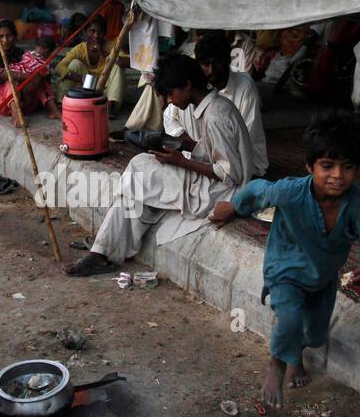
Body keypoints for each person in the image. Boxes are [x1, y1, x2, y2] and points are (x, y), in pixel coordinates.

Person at [209, 112, 360, 412]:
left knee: (315, 335)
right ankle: (277, 365)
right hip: (285, 269)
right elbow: (258, 191)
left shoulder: (356, 203)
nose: (337, 176)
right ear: (310, 166)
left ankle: (295, 357)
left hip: (323, 276)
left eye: (347, 168)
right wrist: (232, 207)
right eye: (327, 166)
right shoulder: (291, 191)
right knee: (290, 320)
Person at [64, 53, 255, 276]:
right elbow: (215, 152)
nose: (170, 101)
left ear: (187, 86)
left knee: (139, 169)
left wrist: (180, 161)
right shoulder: (214, 108)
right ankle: (102, 251)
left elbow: (229, 174)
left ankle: (103, 251)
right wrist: (185, 144)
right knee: (140, 175)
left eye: (171, 94)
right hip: (217, 182)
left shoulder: (216, 116)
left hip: (222, 192)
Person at [182, 33, 268, 177]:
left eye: (216, 63)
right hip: (210, 161)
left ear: (227, 61)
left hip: (246, 163)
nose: (212, 70)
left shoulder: (245, 85)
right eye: (205, 64)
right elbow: (171, 118)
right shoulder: (198, 85)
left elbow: (247, 138)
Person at [55, 17, 124, 114]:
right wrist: (82, 79)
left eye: (100, 32)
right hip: (85, 87)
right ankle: (62, 102)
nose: (96, 36)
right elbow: (59, 67)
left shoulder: (111, 46)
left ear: (105, 34)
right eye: (92, 31)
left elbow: (126, 61)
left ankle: (111, 106)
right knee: (75, 63)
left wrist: (103, 53)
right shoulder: (80, 48)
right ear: (86, 32)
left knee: (117, 66)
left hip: (106, 88)